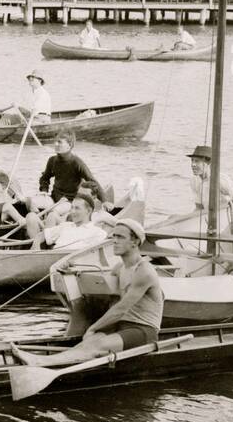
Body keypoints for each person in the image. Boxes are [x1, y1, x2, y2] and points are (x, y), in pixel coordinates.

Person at [15, 218, 163, 368]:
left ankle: (40, 362)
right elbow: (102, 288)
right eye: (114, 236)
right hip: (121, 326)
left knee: (97, 345)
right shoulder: (119, 268)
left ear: (135, 242)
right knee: (87, 343)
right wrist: (71, 268)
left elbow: (121, 309)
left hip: (143, 330)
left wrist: (93, 328)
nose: (114, 241)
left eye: (120, 237)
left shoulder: (144, 271)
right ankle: (49, 362)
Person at [31, 131, 103, 213]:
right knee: (30, 202)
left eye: (59, 142)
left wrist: (105, 201)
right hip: (54, 198)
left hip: (70, 201)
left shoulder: (77, 162)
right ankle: (39, 219)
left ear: (69, 145)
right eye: (55, 141)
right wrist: (44, 190)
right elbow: (45, 178)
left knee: (54, 211)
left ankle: (48, 219)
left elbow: (93, 181)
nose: (56, 144)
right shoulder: (52, 160)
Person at [24, 192, 106, 250]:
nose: (72, 211)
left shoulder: (98, 233)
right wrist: (36, 244)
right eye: (72, 207)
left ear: (88, 211)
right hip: (50, 260)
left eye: (77, 208)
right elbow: (40, 236)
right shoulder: (65, 226)